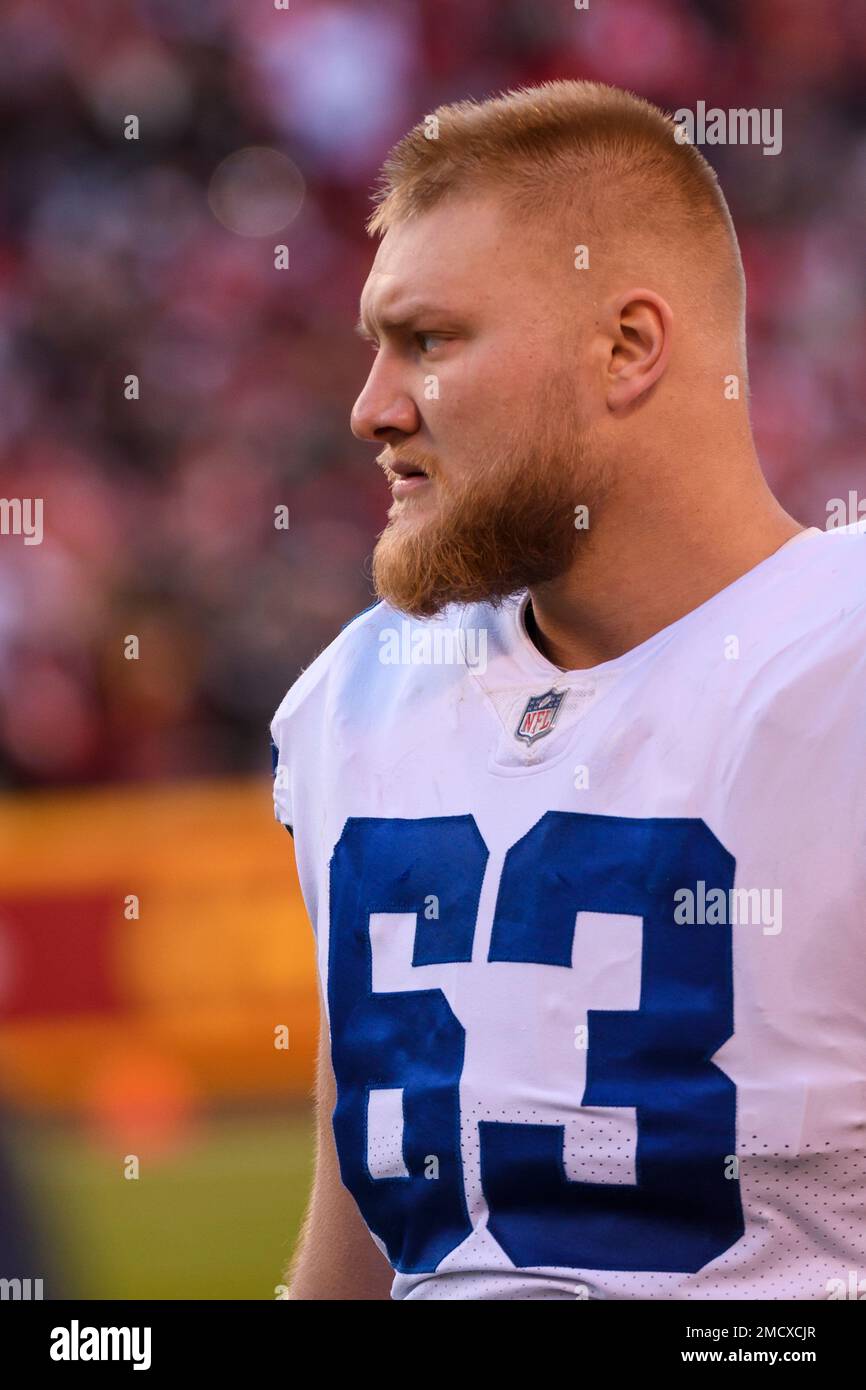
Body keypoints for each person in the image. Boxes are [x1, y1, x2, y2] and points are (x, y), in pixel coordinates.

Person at [271, 80, 866, 1300]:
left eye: (428, 341)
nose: (372, 409)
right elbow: (363, 1232)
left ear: (628, 347)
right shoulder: (355, 701)